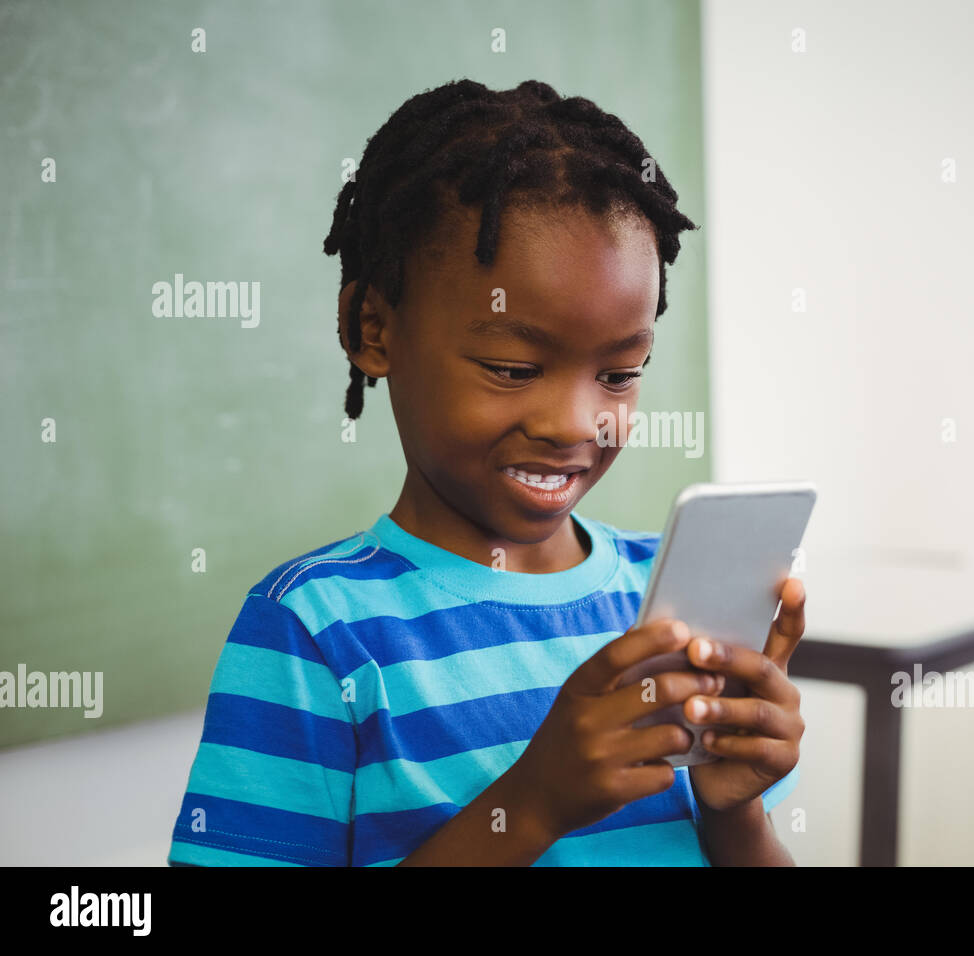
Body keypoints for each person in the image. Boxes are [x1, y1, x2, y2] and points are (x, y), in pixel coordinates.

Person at [167, 79, 805, 866]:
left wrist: (733, 815)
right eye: (511, 367)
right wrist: (531, 805)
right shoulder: (314, 633)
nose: (575, 423)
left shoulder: (661, 613)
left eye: (619, 374)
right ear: (371, 329)